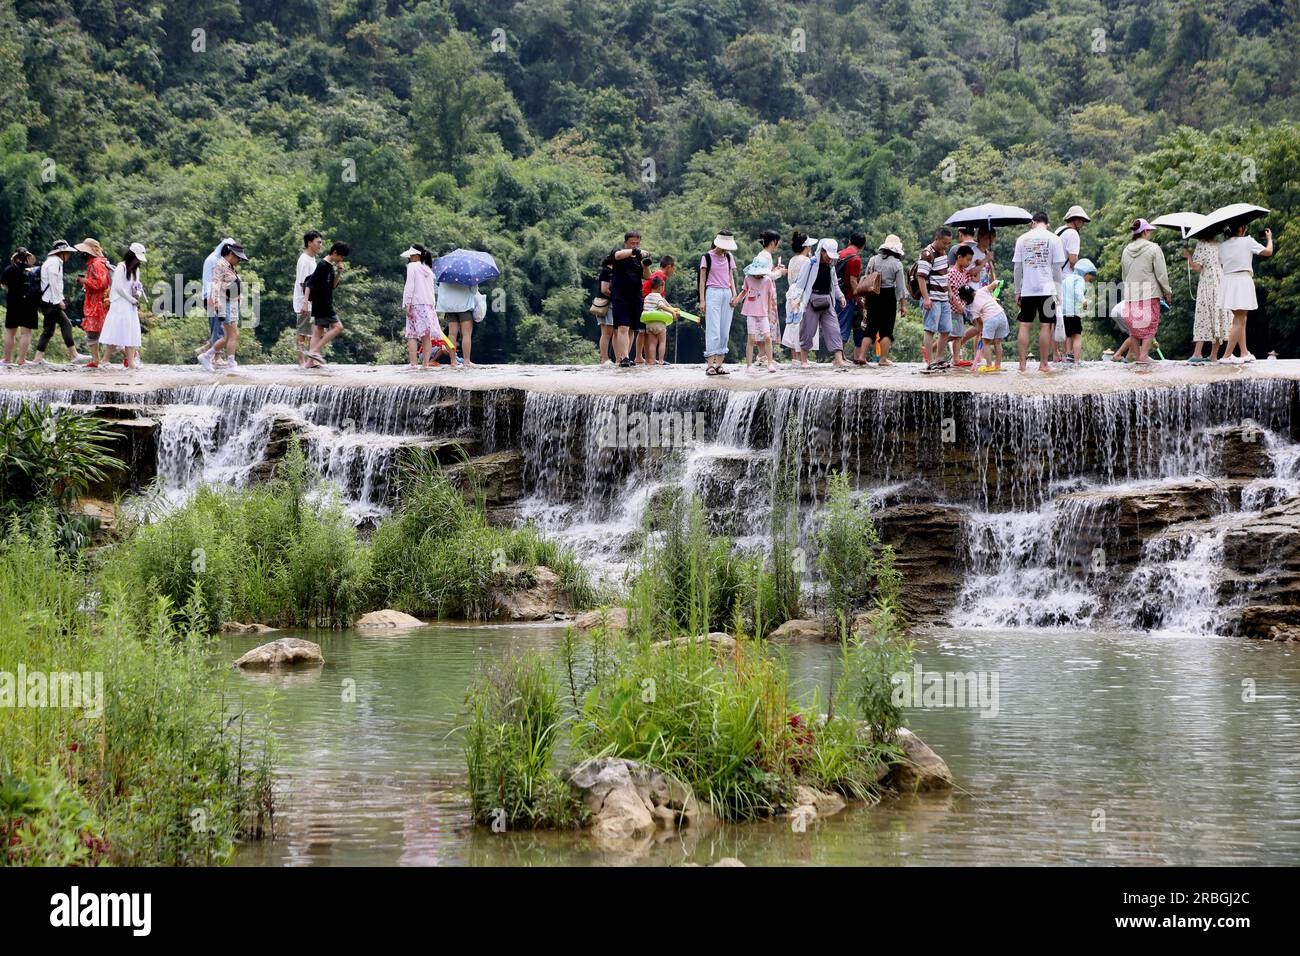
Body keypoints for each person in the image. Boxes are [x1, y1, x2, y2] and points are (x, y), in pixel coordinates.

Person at [1013, 212, 1066, 373]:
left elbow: (1017, 268)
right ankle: (1043, 364)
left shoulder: (1022, 239)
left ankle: (1022, 365)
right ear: (1047, 224)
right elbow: (1057, 269)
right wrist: (1058, 291)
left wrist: (1017, 290)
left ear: (1032, 222)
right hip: (1047, 288)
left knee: (1025, 324)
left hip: (1028, 289)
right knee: (1045, 325)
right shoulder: (1054, 239)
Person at [1217, 223, 1274, 364]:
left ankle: (1244, 352)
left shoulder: (1222, 245)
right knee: (1239, 319)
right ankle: (1226, 356)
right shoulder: (1248, 240)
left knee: (1241, 317)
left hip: (1228, 281)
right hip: (1242, 280)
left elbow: (1221, 263)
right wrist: (1269, 239)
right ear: (1241, 228)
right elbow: (1268, 252)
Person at [1120, 219, 1173, 367]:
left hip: (1132, 293)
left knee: (1135, 326)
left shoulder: (1126, 250)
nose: (1150, 233)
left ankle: (1138, 356)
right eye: (1149, 231)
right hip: (1149, 293)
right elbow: (1161, 273)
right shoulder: (1153, 248)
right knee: (1151, 324)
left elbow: (1124, 275)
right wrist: (1167, 291)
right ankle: (1144, 355)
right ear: (1144, 232)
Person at [791, 238, 848, 369]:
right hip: (812, 300)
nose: (829, 258)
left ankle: (839, 359)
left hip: (827, 299)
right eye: (828, 255)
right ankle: (804, 360)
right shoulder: (810, 264)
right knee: (808, 330)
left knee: (834, 329)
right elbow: (801, 283)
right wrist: (796, 299)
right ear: (822, 251)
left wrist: (841, 296)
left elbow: (834, 284)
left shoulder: (831, 266)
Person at [33, 240, 87, 365]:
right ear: (61, 253)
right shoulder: (54, 262)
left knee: (49, 330)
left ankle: (38, 358)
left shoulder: (53, 262)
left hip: (47, 300)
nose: (68, 255)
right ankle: (73, 354)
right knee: (66, 324)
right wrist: (59, 301)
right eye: (67, 252)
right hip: (51, 301)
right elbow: (53, 283)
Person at [856, 234, 906, 367]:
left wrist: (865, 299)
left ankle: (861, 356)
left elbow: (867, 277)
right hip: (888, 296)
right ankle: (883, 360)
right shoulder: (897, 264)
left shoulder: (873, 260)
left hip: (873, 295)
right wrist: (903, 306)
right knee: (886, 329)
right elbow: (901, 288)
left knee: (870, 327)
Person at [606, 231, 652, 368]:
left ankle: (625, 356)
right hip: (620, 296)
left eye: (637, 243)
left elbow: (647, 277)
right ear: (626, 243)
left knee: (632, 328)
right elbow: (617, 255)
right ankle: (623, 357)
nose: (635, 245)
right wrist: (635, 251)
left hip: (636, 296)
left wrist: (646, 265)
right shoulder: (619, 252)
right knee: (623, 327)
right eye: (632, 243)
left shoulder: (637, 259)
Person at [99, 243, 146, 369]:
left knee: (130, 332)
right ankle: (105, 359)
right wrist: (131, 299)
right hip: (120, 303)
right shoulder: (121, 268)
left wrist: (138, 294)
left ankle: (130, 363)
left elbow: (137, 285)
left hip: (131, 305)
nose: (137, 261)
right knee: (117, 331)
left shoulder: (136, 270)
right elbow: (118, 288)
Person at [303, 241, 350, 367]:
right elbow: (309, 284)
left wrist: (339, 272)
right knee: (338, 327)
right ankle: (314, 351)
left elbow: (332, 286)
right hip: (323, 303)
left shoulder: (330, 266)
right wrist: (305, 303)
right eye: (341, 257)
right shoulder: (323, 265)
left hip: (325, 301)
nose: (341, 259)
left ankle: (310, 363)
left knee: (319, 329)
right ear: (335, 253)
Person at [699, 231, 738, 376]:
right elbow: (702, 280)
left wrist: (734, 295)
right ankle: (710, 364)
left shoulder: (728, 256)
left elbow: (730, 277)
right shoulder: (707, 257)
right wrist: (702, 300)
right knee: (713, 329)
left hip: (726, 293)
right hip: (712, 293)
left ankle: (720, 364)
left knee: (724, 330)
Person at [916, 227, 954, 370]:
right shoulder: (927, 254)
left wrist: (949, 290)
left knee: (946, 329)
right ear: (936, 239)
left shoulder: (943, 253)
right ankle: (930, 361)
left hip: (943, 297)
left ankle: (939, 358)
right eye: (944, 243)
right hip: (932, 297)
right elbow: (921, 277)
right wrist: (926, 298)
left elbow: (945, 274)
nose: (947, 246)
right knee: (930, 329)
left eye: (949, 243)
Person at [206, 242, 248, 370]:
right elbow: (215, 284)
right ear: (231, 254)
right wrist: (217, 303)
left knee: (228, 337)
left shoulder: (230, 266)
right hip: (225, 302)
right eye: (238, 257)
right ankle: (231, 363)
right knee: (232, 335)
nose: (239, 260)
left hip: (232, 303)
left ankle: (207, 356)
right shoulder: (220, 265)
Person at [402, 245, 444, 370]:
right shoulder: (428, 270)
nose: (409, 258)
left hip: (415, 303)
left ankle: (413, 364)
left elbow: (410, 286)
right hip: (428, 305)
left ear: (416, 256)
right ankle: (425, 364)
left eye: (410, 256)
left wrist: (407, 303)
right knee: (427, 335)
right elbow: (432, 290)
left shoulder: (412, 267)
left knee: (412, 334)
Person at [197, 237, 235, 371]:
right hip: (212, 297)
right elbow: (210, 281)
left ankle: (210, 353)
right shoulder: (213, 260)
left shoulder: (217, 260)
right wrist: (212, 298)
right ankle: (213, 356)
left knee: (220, 328)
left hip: (218, 297)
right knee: (217, 327)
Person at [737, 256, 779, 374]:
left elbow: (770, 296)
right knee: (751, 338)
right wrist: (736, 300)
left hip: (763, 313)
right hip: (751, 312)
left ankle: (770, 363)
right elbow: (744, 291)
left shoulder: (767, 280)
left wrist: (770, 313)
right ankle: (749, 365)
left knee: (767, 337)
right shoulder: (748, 278)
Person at [74, 239, 112, 368]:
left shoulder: (96, 264)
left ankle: (131, 354)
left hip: (98, 305)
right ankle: (96, 360)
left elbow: (100, 283)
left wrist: (84, 280)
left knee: (105, 332)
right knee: (93, 333)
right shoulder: (95, 263)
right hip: (93, 304)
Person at [782, 233, 816, 363]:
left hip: (791, 292)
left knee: (792, 323)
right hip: (801, 293)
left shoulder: (792, 260)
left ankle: (795, 357)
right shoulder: (806, 261)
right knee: (801, 324)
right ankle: (802, 357)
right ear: (806, 247)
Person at [436, 267, 480, 368]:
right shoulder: (468, 274)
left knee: (452, 334)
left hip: (450, 308)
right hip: (465, 307)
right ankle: (466, 361)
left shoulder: (445, 274)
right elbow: (474, 291)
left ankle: (453, 361)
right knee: (466, 334)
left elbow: (440, 289)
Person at [1, 248, 38, 367]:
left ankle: (7, 360)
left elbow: (4, 284)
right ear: (28, 257)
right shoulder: (33, 270)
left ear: (15, 257)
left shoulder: (10, 269)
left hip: (13, 302)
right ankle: (21, 360)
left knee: (10, 332)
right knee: (26, 333)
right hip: (29, 302)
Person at [959, 284, 1009, 371]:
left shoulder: (974, 307)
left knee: (986, 343)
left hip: (990, 318)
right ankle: (998, 365)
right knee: (998, 342)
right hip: (1001, 315)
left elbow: (979, 324)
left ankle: (989, 366)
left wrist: (982, 332)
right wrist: (999, 283)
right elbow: (995, 283)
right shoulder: (982, 290)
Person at [946, 244, 977, 366]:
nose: (969, 262)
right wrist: (958, 306)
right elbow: (952, 293)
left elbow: (976, 276)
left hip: (960, 309)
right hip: (954, 309)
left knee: (958, 335)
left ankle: (956, 359)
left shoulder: (963, 272)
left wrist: (983, 262)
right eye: (967, 259)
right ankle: (954, 358)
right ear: (959, 257)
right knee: (953, 335)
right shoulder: (952, 273)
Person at [295, 230, 322, 368]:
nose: (320, 245)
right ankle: (301, 362)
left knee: (313, 332)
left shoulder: (312, 259)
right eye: (318, 242)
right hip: (304, 302)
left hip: (312, 302)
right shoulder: (304, 259)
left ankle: (312, 360)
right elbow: (303, 283)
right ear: (310, 243)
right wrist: (305, 302)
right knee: (302, 332)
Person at [1060, 258, 1095, 365]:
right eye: (1089, 279)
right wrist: (1084, 300)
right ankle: (1076, 360)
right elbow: (1077, 291)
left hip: (1063, 312)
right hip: (1073, 312)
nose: (1088, 281)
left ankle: (1068, 356)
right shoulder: (1079, 279)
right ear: (1086, 273)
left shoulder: (1066, 279)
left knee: (1067, 334)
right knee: (1077, 335)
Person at [835, 231, 865, 346]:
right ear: (862, 246)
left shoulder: (839, 254)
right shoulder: (855, 259)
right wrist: (858, 299)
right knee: (843, 326)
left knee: (836, 325)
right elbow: (853, 281)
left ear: (849, 242)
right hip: (847, 297)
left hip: (835, 294)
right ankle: (838, 357)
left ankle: (839, 356)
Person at [641, 275, 677, 366]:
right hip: (659, 323)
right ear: (660, 287)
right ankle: (661, 360)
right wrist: (672, 311)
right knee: (662, 341)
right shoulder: (658, 297)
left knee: (652, 343)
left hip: (649, 324)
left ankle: (652, 361)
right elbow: (661, 306)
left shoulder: (647, 297)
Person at [595, 252, 615, 364]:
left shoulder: (609, 271)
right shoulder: (607, 271)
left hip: (607, 304)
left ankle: (606, 358)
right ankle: (604, 358)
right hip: (607, 304)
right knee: (607, 332)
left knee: (607, 332)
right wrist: (616, 297)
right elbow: (604, 289)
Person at [1057, 205, 1090, 272]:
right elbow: (1073, 260)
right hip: (1065, 276)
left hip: (1055, 275)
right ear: (1077, 220)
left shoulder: (1059, 230)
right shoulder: (1073, 234)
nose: (1082, 225)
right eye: (1082, 222)